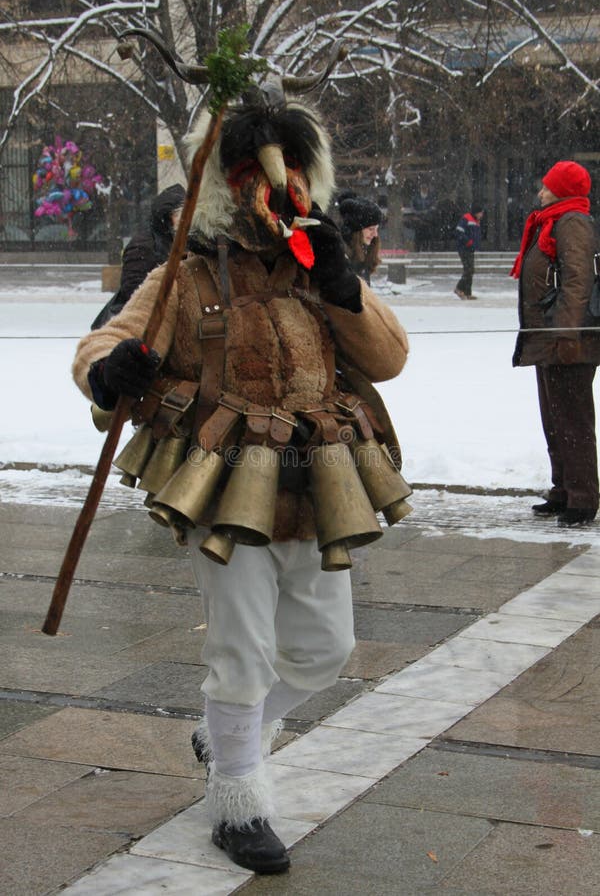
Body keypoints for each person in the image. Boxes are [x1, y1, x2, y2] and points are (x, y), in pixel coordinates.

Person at [71, 85, 410, 875]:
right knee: (242, 649)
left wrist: (341, 285)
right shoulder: (185, 275)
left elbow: (390, 358)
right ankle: (238, 800)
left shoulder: (314, 269)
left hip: (319, 479)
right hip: (224, 480)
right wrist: (108, 371)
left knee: (327, 649)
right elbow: (101, 348)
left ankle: (230, 731)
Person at [511, 160, 600, 526]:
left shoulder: (572, 222)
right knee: (555, 419)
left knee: (573, 421)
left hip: (568, 342)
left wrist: (564, 333)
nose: (540, 191)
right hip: (549, 339)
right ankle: (563, 489)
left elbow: (578, 282)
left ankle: (583, 497)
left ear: (562, 190)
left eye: (547, 186)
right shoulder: (552, 221)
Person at [91, 183, 185, 329]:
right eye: (180, 214)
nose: (185, 220)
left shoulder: (179, 242)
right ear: (167, 215)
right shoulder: (144, 245)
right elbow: (133, 290)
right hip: (140, 323)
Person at [338, 193, 383, 285]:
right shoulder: (340, 257)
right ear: (356, 231)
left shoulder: (365, 251)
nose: (375, 234)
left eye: (376, 229)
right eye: (371, 229)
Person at [454, 202, 484, 300]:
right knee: (468, 269)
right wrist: (468, 242)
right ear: (476, 212)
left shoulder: (476, 221)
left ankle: (467, 293)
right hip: (464, 248)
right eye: (480, 213)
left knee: (471, 270)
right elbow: (459, 232)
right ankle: (459, 288)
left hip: (470, 249)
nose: (482, 215)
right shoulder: (466, 219)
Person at [411, 182, 436, 252]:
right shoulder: (416, 197)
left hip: (428, 220)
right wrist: (419, 213)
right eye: (423, 187)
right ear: (420, 188)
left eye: (425, 187)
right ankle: (417, 248)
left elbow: (433, 207)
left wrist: (427, 212)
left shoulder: (431, 197)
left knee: (428, 235)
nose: (424, 189)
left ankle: (427, 248)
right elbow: (412, 208)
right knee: (418, 235)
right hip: (418, 220)